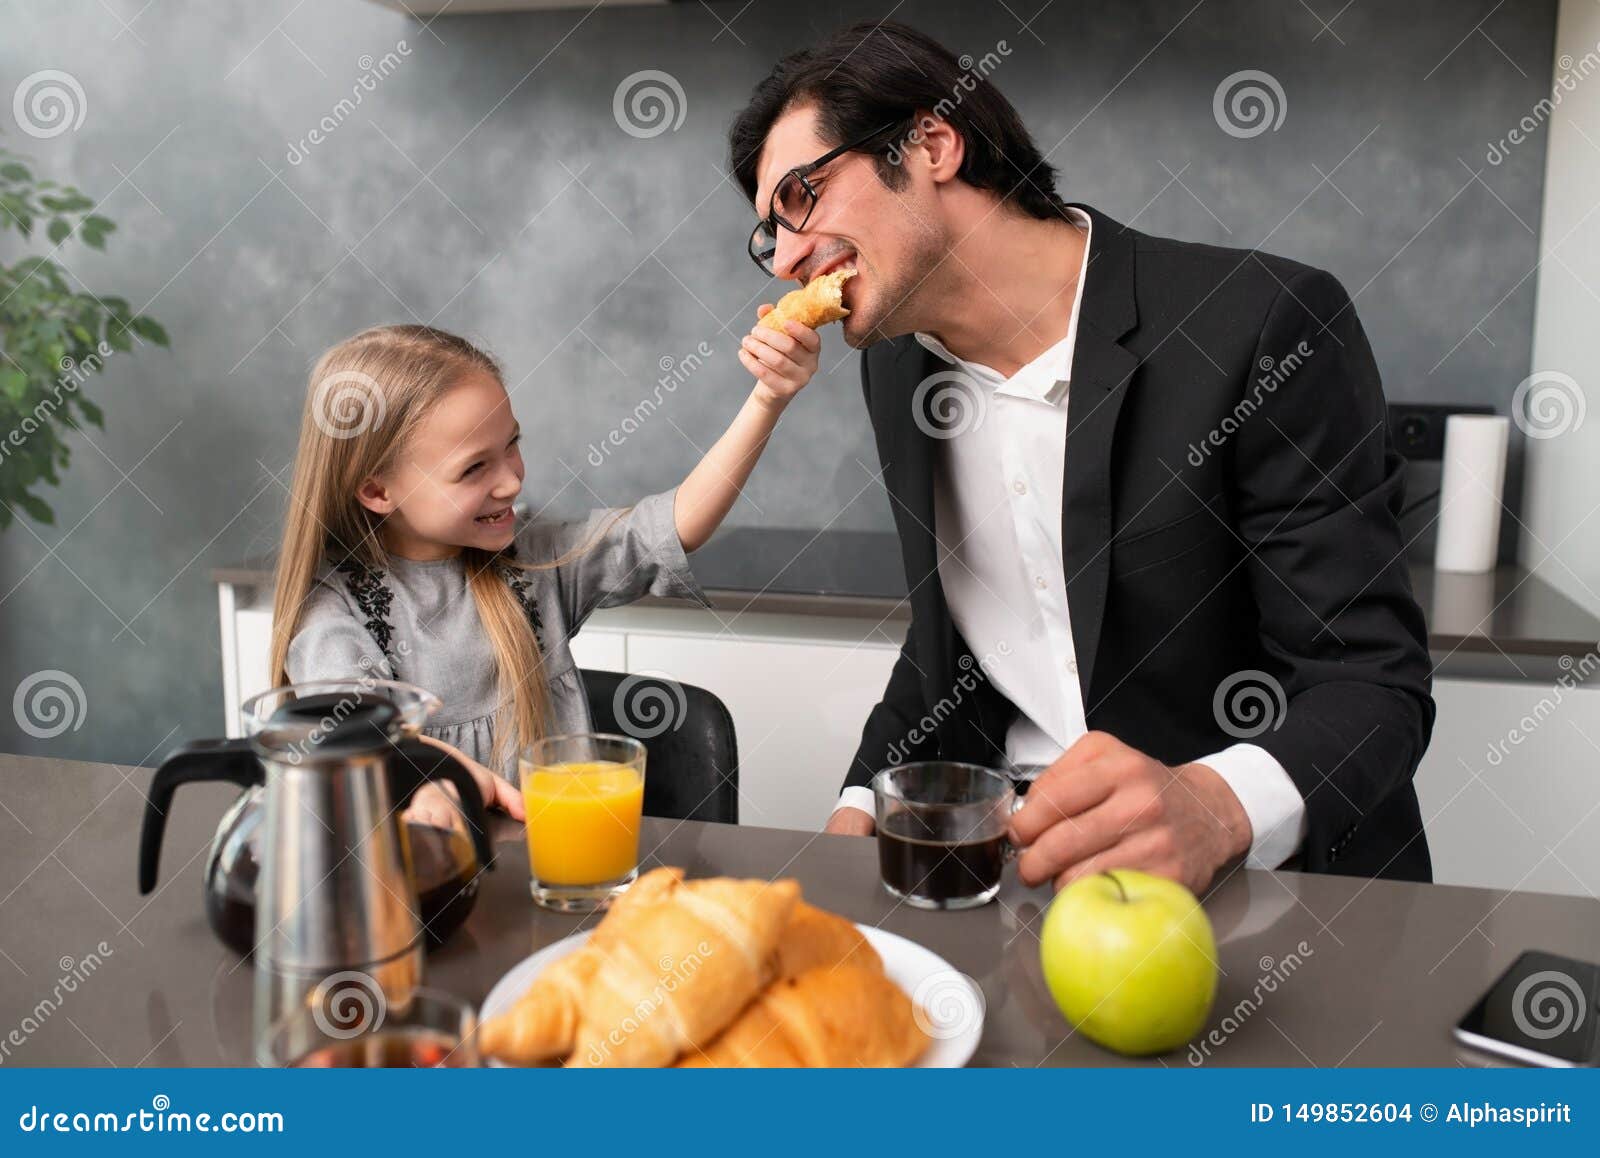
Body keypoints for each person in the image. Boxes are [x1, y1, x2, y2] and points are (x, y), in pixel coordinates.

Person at [728, 22, 1435, 891]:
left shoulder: (1262, 325)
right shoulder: (898, 371)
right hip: (1014, 870)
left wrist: (1213, 809)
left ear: (933, 143)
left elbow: (1371, 687)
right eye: (771, 236)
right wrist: (864, 800)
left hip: (1273, 891)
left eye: (801, 197)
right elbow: (957, 643)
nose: (789, 258)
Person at [268, 320, 818, 822]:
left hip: (564, 878)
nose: (510, 482)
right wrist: (442, 778)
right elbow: (356, 733)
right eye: (474, 468)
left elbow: (674, 527)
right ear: (377, 490)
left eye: (511, 446)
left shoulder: (535, 561)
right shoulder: (333, 614)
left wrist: (767, 398)